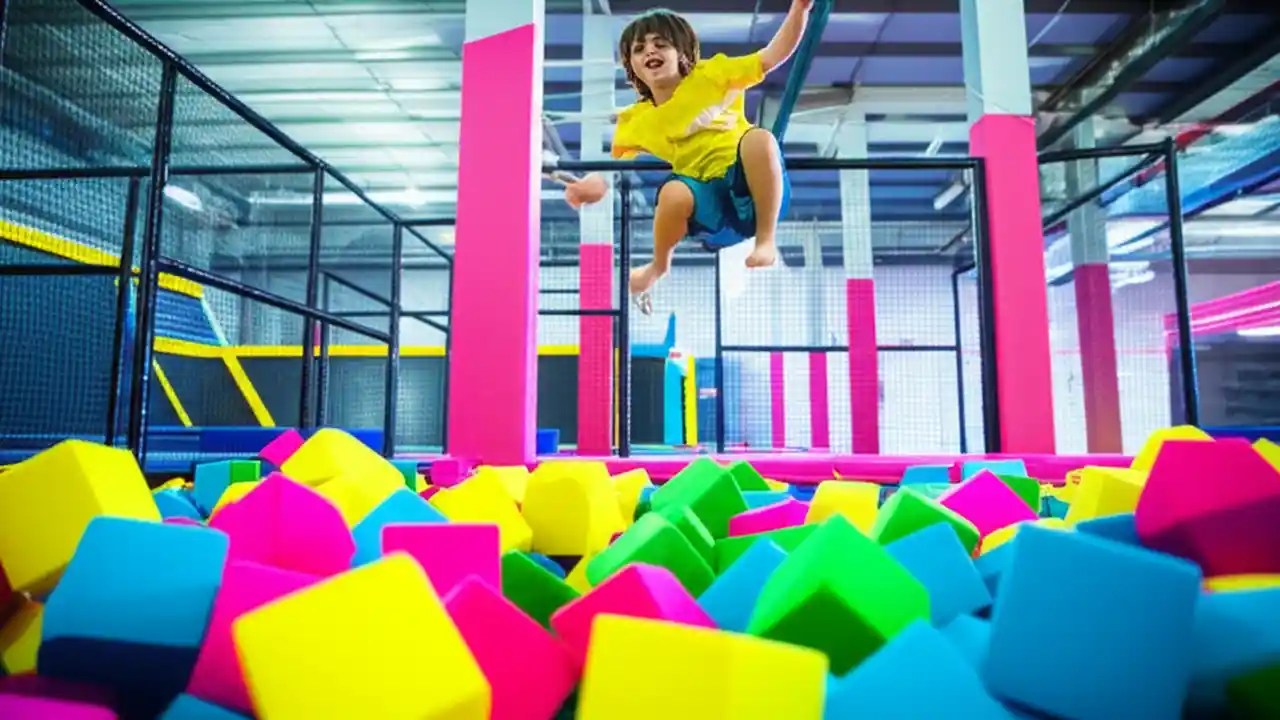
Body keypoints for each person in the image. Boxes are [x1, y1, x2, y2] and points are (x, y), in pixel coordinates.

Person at [561, 1, 812, 301]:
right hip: (709, 210)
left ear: (681, 52)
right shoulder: (635, 120)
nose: (650, 52)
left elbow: (772, 56)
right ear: (632, 65)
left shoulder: (712, 74)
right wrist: (591, 184)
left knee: (760, 139)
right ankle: (658, 267)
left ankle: (766, 241)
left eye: (660, 44)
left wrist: (799, 11)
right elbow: (614, 171)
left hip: (752, 192)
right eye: (639, 49)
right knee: (673, 192)